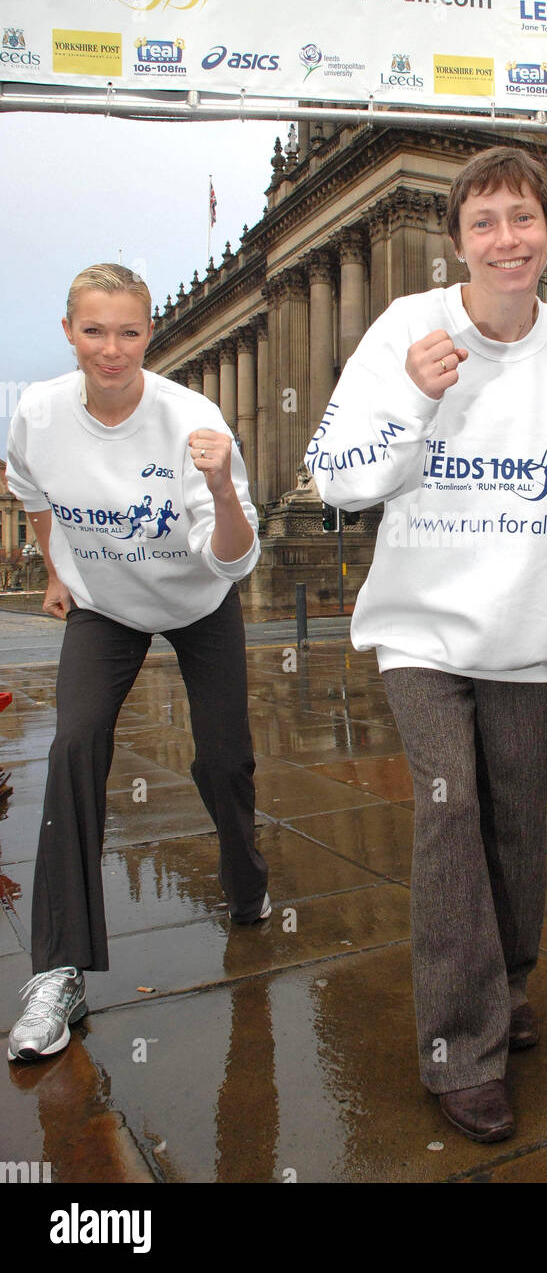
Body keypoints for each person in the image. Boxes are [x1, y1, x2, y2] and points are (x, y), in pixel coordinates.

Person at [305, 146, 547, 1141]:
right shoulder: (410, 329)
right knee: (450, 815)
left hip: (529, 632)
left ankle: (504, 984)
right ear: (457, 242)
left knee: (516, 824)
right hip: (421, 631)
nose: (506, 239)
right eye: (485, 222)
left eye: (522, 219)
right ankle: (459, 1044)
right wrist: (411, 397)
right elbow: (334, 477)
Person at [5, 264, 268, 1062]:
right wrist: (57, 573)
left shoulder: (190, 419)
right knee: (74, 745)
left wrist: (222, 488)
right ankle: (57, 968)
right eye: (93, 331)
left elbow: (237, 560)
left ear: (149, 335)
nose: (110, 350)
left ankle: (248, 882)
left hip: (197, 598)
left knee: (223, 761)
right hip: (106, 606)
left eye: (127, 332)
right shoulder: (37, 413)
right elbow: (35, 498)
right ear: (68, 333)